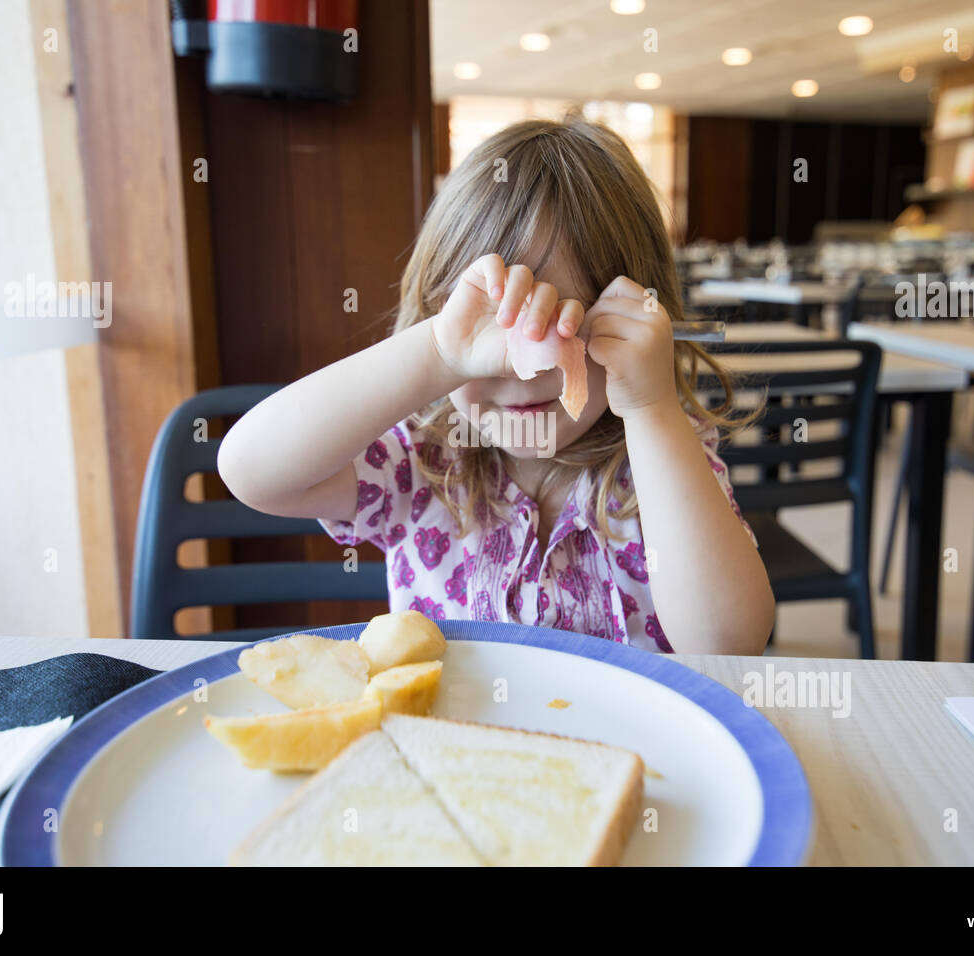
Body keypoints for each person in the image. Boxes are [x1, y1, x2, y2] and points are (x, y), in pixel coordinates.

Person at [218, 117, 774, 655]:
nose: (520, 370)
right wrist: (439, 352)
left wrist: (652, 407)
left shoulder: (663, 451)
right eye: (487, 333)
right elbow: (250, 470)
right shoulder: (421, 461)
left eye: (564, 328)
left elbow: (727, 642)